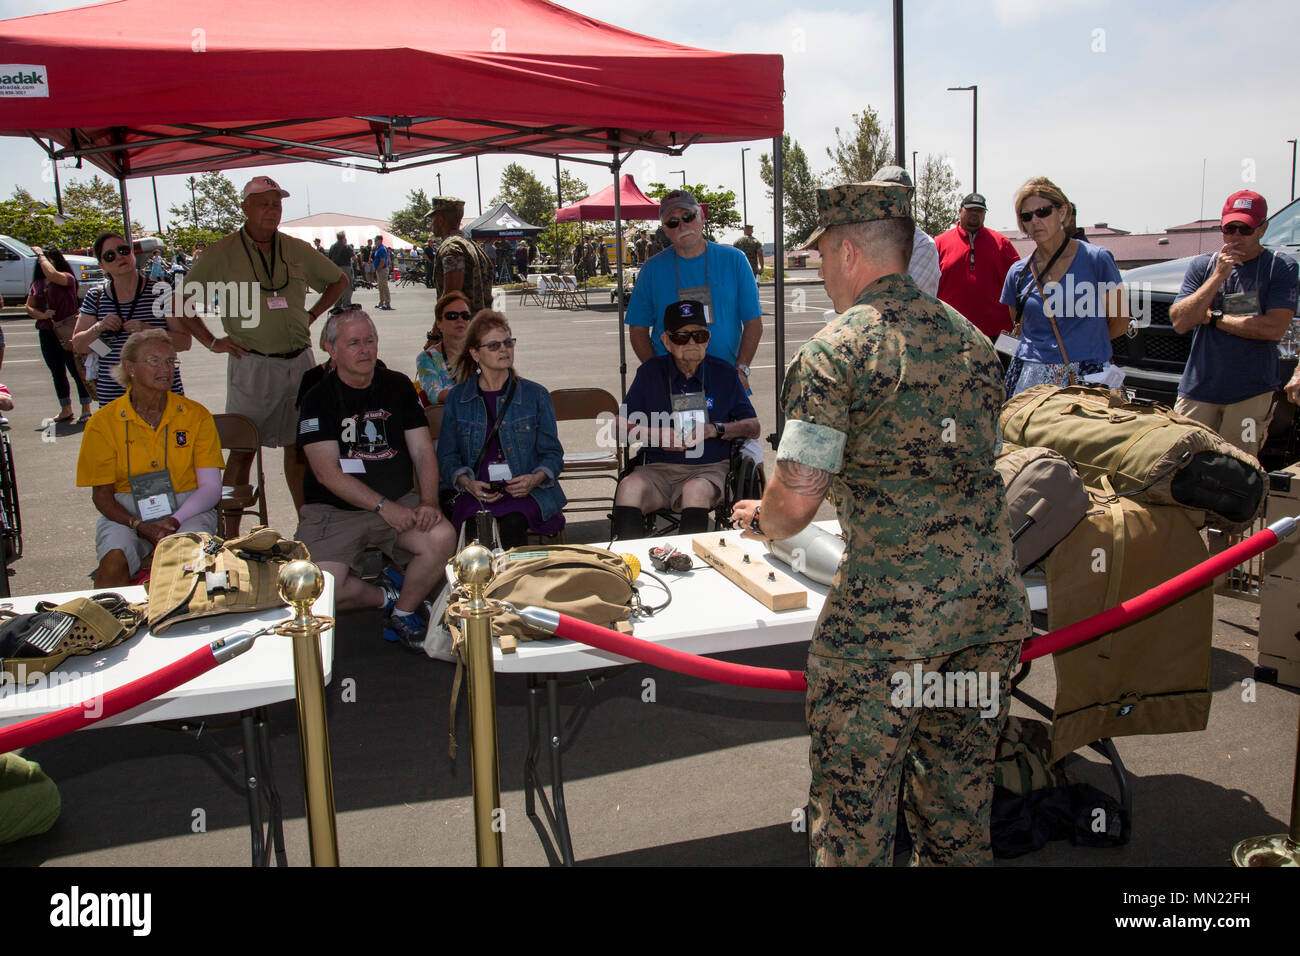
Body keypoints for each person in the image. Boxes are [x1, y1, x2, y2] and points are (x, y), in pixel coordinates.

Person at [728, 181, 1030, 866]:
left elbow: (796, 500)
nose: (820, 272)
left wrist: (763, 521)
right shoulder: (973, 342)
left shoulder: (835, 351)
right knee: (957, 811)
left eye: (820, 257)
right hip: (986, 613)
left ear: (848, 252)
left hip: (886, 625)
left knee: (854, 816)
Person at [178, 175, 348, 519]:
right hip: (252, 363)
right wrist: (212, 341)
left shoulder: (296, 248)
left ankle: (307, 526)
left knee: (299, 448)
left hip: (299, 363)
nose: (272, 210)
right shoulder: (222, 252)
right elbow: (182, 301)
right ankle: (229, 534)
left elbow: (339, 280)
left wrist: (312, 314)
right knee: (243, 450)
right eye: (264, 204)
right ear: (245, 208)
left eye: (277, 204)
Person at [296, 309, 456, 650]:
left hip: (399, 500)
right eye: (354, 343)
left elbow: (423, 452)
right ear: (331, 349)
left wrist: (429, 501)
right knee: (315, 591)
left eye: (370, 340)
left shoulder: (397, 385)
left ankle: (404, 612)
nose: (365, 350)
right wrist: (383, 507)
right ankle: (386, 595)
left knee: (442, 537)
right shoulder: (317, 397)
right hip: (335, 512)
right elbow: (327, 473)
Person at [75, 330, 224, 587]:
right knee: (113, 561)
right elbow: (102, 496)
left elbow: (211, 488)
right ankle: (109, 610)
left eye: (170, 361)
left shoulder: (196, 415)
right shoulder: (102, 423)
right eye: (154, 361)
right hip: (126, 512)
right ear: (130, 367)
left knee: (184, 556)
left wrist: (174, 520)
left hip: (187, 508)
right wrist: (139, 525)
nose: (165, 369)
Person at [611, 300, 759, 539]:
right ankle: (626, 556)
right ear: (666, 341)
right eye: (681, 337)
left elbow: (753, 426)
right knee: (629, 486)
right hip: (658, 469)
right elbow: (617, 427)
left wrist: (714, 429)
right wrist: (656, 435)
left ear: (707, 339)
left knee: (695, 489)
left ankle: (689, 557)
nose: (692, 343)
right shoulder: (650, 373)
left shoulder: (724, 373)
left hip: (709, 469)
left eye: (699, 336)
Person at [1169, 189, 1299, 458]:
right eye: (1229, 229)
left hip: (1250, 394)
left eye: (1245, 229)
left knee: (1238, 466)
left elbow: (1273, 328)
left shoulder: (1279, 267)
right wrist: (1218, 277)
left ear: (1262, 229)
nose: (1236, 236)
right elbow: (1181, 321)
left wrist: (1213, 318)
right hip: (1198, 390)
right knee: (1181, 463)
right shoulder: (1204, 266)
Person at [437, 311, 566, 550]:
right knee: (476, 528)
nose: (504, 350)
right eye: (494, 345)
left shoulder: (536, 395)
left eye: (508, 343)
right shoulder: (458, 398)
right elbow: (446, 456)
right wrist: (467, 483)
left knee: (512, 523)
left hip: (525, 493)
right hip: (476, 493)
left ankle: (513, 574)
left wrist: (534, 479)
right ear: (475, 354)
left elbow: (553, 454)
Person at [626, 189, 763, 395]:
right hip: (672, 387)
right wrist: (657, 373)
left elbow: (753, 323)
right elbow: (638, 329)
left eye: (688, 216)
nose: (682, 225)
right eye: (672, 222)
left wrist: (742, 370)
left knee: (734, 418)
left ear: (702, 217)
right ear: (665, 229)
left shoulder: (735, 260)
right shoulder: (652, 269)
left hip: (726, 382)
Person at [1000, 176, 1126, 398]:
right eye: (1027, 216)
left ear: (1062, 212)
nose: (1035, 221)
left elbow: (1120, 322)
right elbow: (1020, 324)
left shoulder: (1098, 260)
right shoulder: (1018, 273)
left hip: (1087, 377)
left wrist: (1082, 345)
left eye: (1043, 212)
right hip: (1030, 380)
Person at [73, 232, 191, 408]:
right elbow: (79, 345)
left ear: (132, 253)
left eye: (123, 250)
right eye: (110, 255)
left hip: (162, 392)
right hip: (114, 395)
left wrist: (148, 330)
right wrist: (99, 327)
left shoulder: (161, 292)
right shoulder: (96, 296)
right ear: (102, 265)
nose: (119, 257)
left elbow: (184, 342)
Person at [935, 193, 1022, 340]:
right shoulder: (939, 243)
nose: (975, 213)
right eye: (970, 209)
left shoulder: (1002, 243)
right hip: (951, 330)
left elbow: (1019, 285)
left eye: (980, 210)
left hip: (996, 332)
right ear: (960, 210)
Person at [25, 246, 92, 423]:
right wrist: (41, 315)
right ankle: (66, 409)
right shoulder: (37, 284)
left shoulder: (66, 278)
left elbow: (52, 274)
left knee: (76, 369)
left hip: (67, 330)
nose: (42, 263)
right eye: (41, 261)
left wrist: (40, 254)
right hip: (47, 331)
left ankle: (86, 408)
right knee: (57, 371)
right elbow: (29, 306)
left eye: (47, 260)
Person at [871, 165, 940, 296]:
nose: (886, 202)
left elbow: (906, 298)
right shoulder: (865, 240)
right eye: (879, 194)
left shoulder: (922, 245)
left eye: (895, 195)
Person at [427, 197, 494, 313]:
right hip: (478, 321)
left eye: (432, 219)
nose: (431, 224)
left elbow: (451, 296)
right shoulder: (471, 245)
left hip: (460, 321)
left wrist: (438, 323)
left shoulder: (451, 248)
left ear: (440, 220)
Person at [417, 291, 472, 406]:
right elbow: (434, 394)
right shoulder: (427, 358)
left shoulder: (483, 352)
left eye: (465, 315)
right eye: (452, 316)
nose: (460, 320)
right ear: (439, 323)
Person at [327, 230, 355, 311]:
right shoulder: (346, 246)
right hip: (345, 268)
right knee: (347, 286)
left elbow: (329, 258)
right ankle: (346, 304)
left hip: (335, 268)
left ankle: (337, 305)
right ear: (344, 237)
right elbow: (354, 257)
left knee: (337, 287)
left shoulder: (332, 246)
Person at [371, 234, 393, 310]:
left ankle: (387, 303)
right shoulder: (378, 248)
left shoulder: (382, 249)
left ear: (380, 240)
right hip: (379, 269)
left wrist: (379, 268)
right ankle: (381, 302)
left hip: (382, 269)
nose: (375, 242)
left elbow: (383, 260)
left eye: (376, 240)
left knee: (384, 286)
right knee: (380, 287)